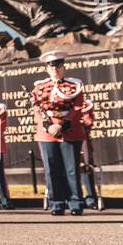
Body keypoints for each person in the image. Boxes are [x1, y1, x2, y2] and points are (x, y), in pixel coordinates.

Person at [30, 52, 86, 216]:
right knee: (51, 169)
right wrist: (49, 126)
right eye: (52, 66)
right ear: (47, 69)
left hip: (70, 130)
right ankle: (57, 204)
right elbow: (37, 110)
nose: (55, 69)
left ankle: (75, 203)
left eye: (58, 66)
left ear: (63, 67)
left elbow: (77, 107)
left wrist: (62, 124)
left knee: (71, 169)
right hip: (47, 133)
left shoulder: (75, 85)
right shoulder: (39, 87)